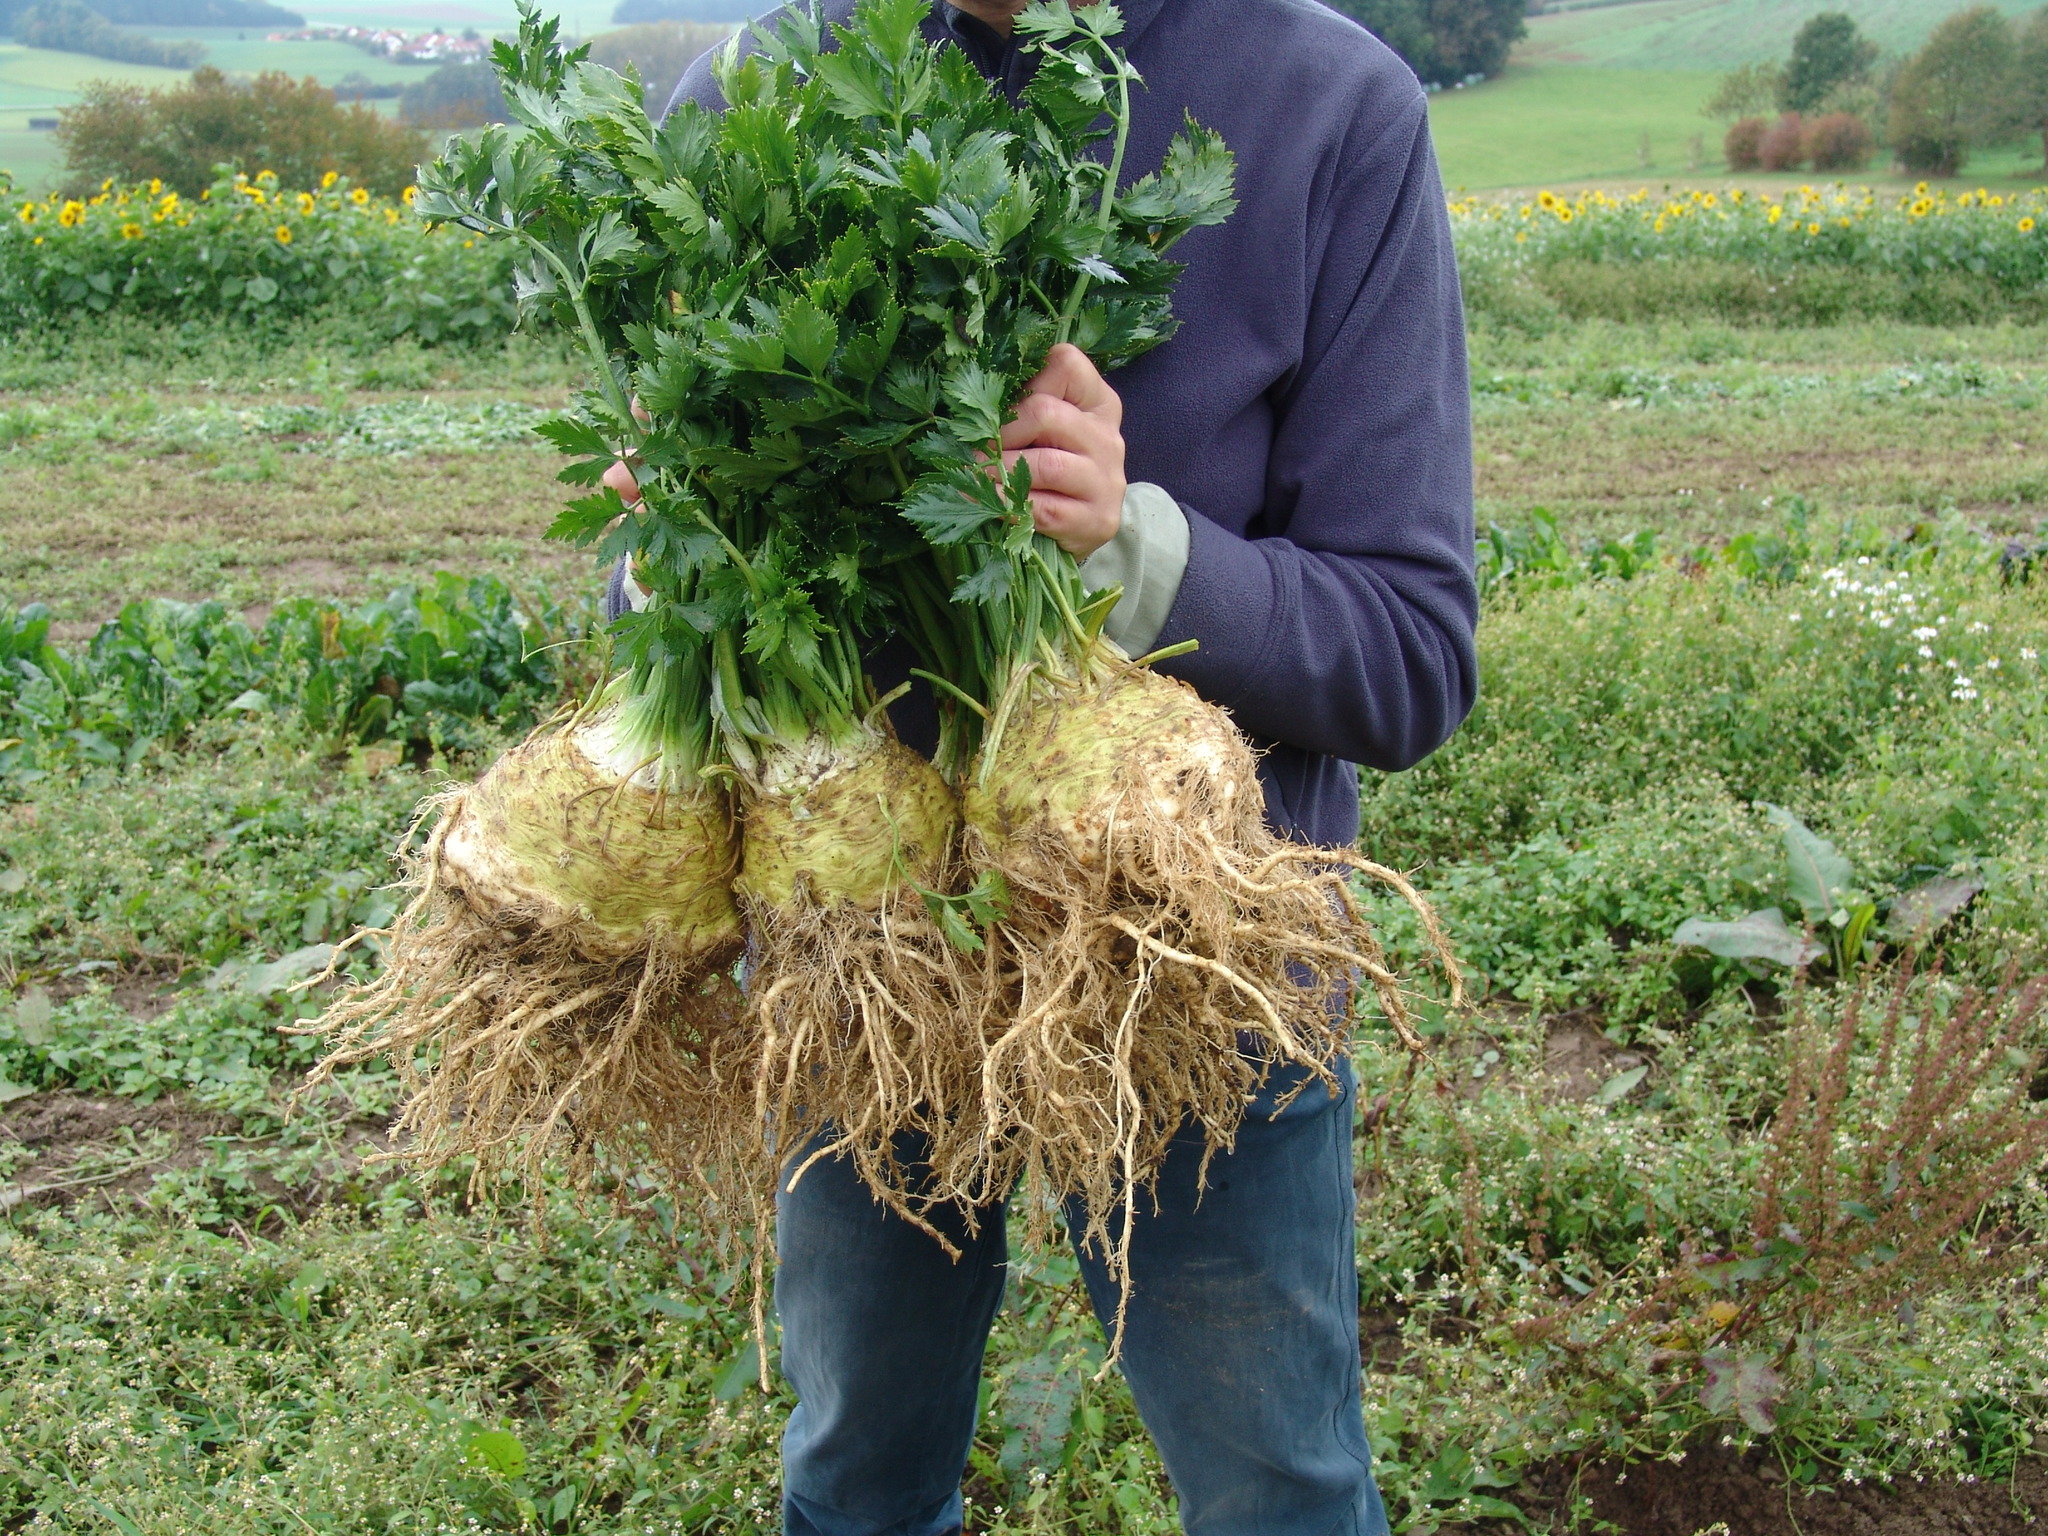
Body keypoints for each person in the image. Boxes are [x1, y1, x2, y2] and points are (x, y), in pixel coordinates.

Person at [606, 1, 1478, 1530]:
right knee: (856, 1482)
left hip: (1180, 956)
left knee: (1278, 1491)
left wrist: (1131, 552)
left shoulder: (1333, 107)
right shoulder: (761, 88)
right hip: (856, 952)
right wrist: (680, 556)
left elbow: (1411, 654)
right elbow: (644, 569)